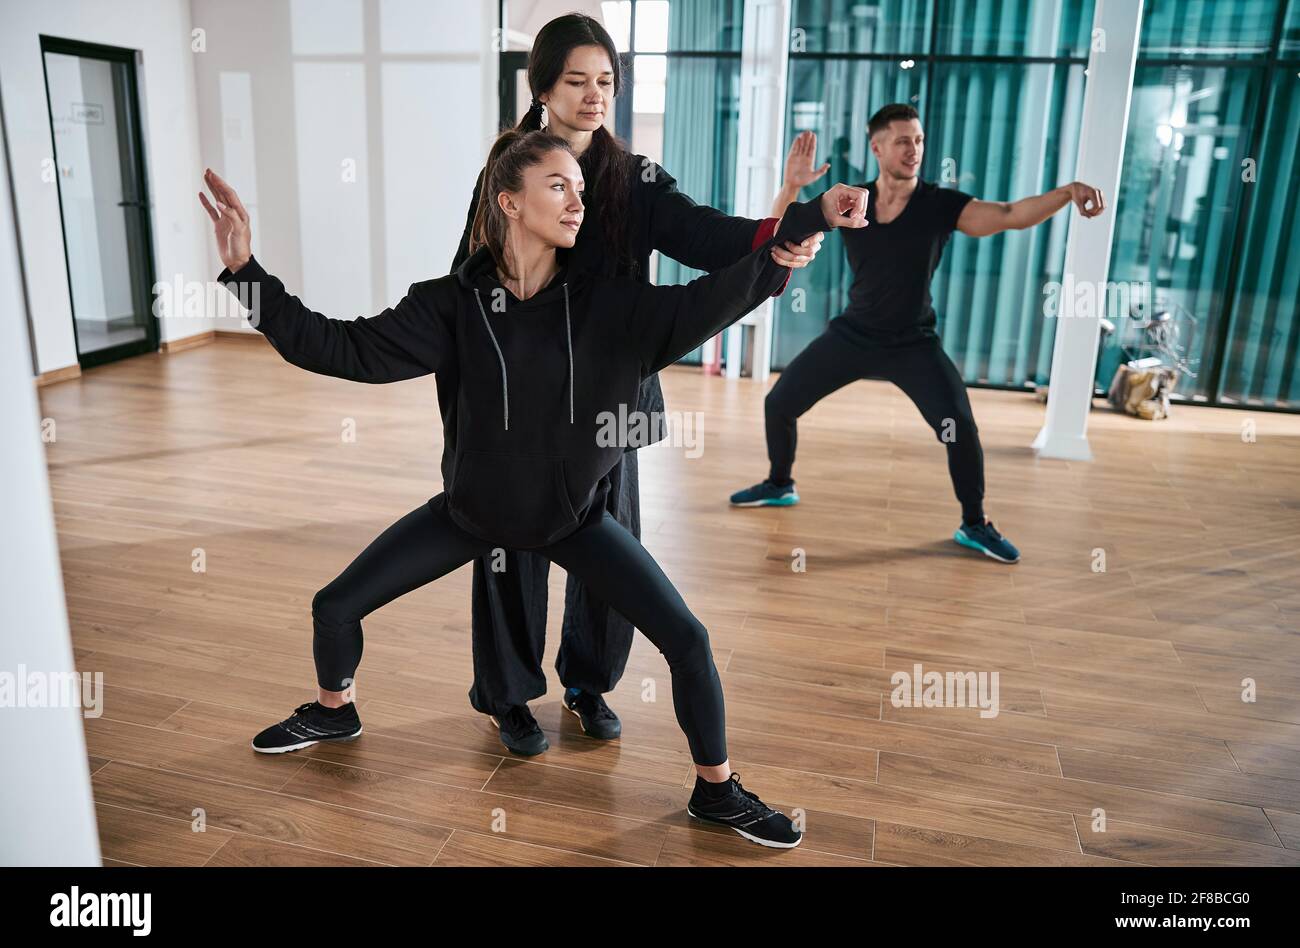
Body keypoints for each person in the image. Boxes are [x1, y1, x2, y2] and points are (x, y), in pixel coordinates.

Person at [198, 132, 867, 847]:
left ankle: (716, 789)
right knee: (333, 608)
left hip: (571, 522)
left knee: (689, 641)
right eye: (558, 187)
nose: (578, 201)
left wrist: (811, 217)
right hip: (468, 515)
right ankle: (336, 709)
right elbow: (340, 347)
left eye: (580, 188)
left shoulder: (613, 306)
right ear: (509, 201)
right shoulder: (452, 306)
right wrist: (245, 270)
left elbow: (724, 288)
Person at [452, 13, 826, 757]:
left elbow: (709, 237)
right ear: (543, 88)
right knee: (509, 546)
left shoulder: (635, 178)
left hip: (609, 400)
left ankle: (588, 682)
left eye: (607, 82)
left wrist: (786, 216)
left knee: (611, 543)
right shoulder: (507, 172)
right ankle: (508, 695)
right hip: (519, 399)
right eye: (577, 81)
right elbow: (471, 272)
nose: (595, 96)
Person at [730, 104, 1105, 564]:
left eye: (920, 140)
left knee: (959, 428)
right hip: (854, 335)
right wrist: (792, 186)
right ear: (877, 146)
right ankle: (780, 483)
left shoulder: (940, 205)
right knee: (779, 403)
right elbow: (780, 233)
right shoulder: (851, 199)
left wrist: (1067, 192)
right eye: (904, 140)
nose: (915, 150)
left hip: (913, 343)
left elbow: (1009, 214)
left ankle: (975, 523)